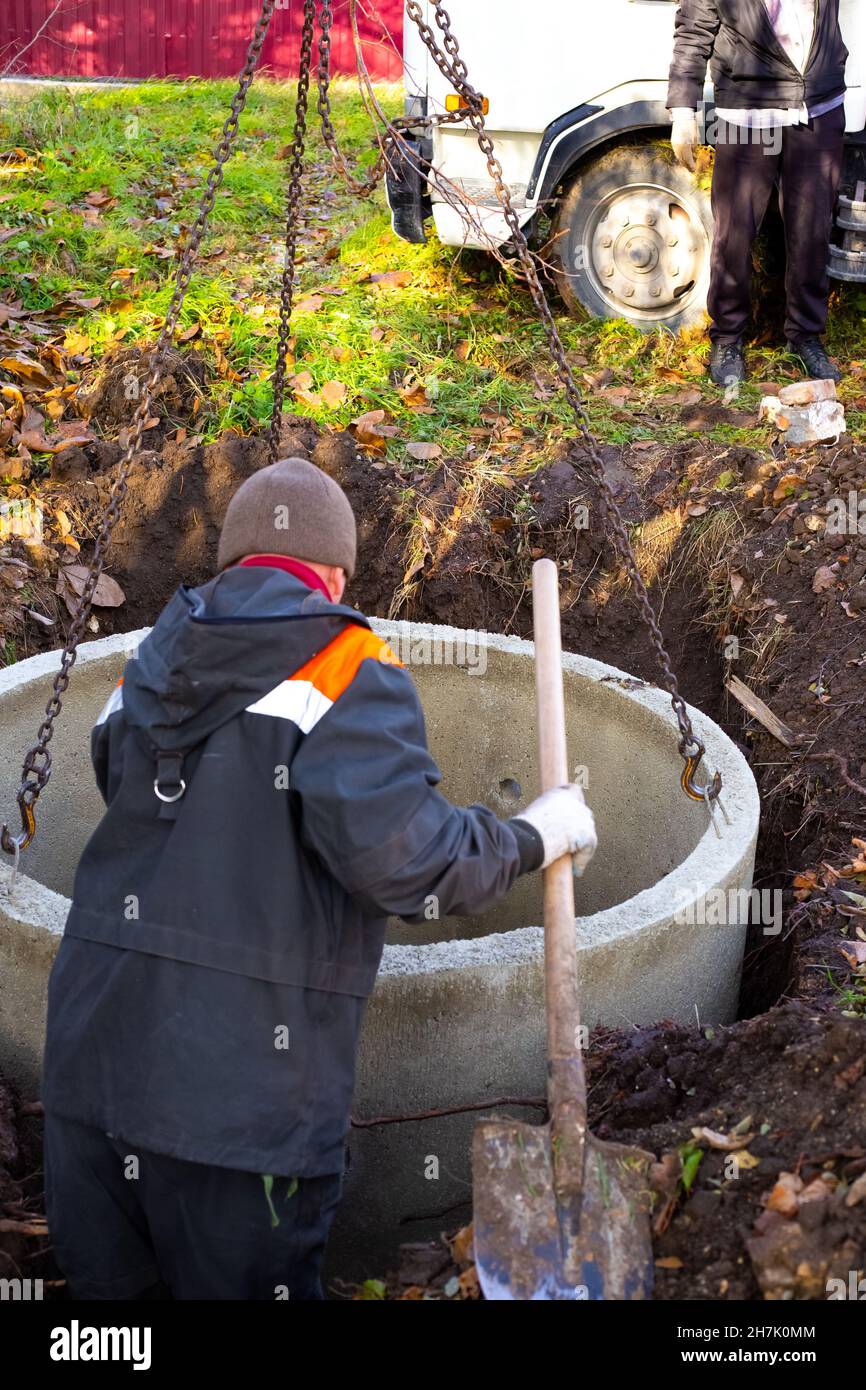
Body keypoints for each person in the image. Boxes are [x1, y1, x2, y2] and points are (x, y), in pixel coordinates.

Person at [40, 456, 597, 1300]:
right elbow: (408, 865)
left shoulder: (151, 655)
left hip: (89, 1081)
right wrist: (530, 836)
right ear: (334, 571)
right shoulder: (345, 663)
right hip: (238, 1121)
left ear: (231, 564)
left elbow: (127, 781)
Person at [667, 0, 849, 386]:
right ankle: (728, 337)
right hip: (746, 113)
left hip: (818, 106)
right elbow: (694, 29)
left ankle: (805, 335)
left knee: (812, 231)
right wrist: (683, 111)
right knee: (735, 232)